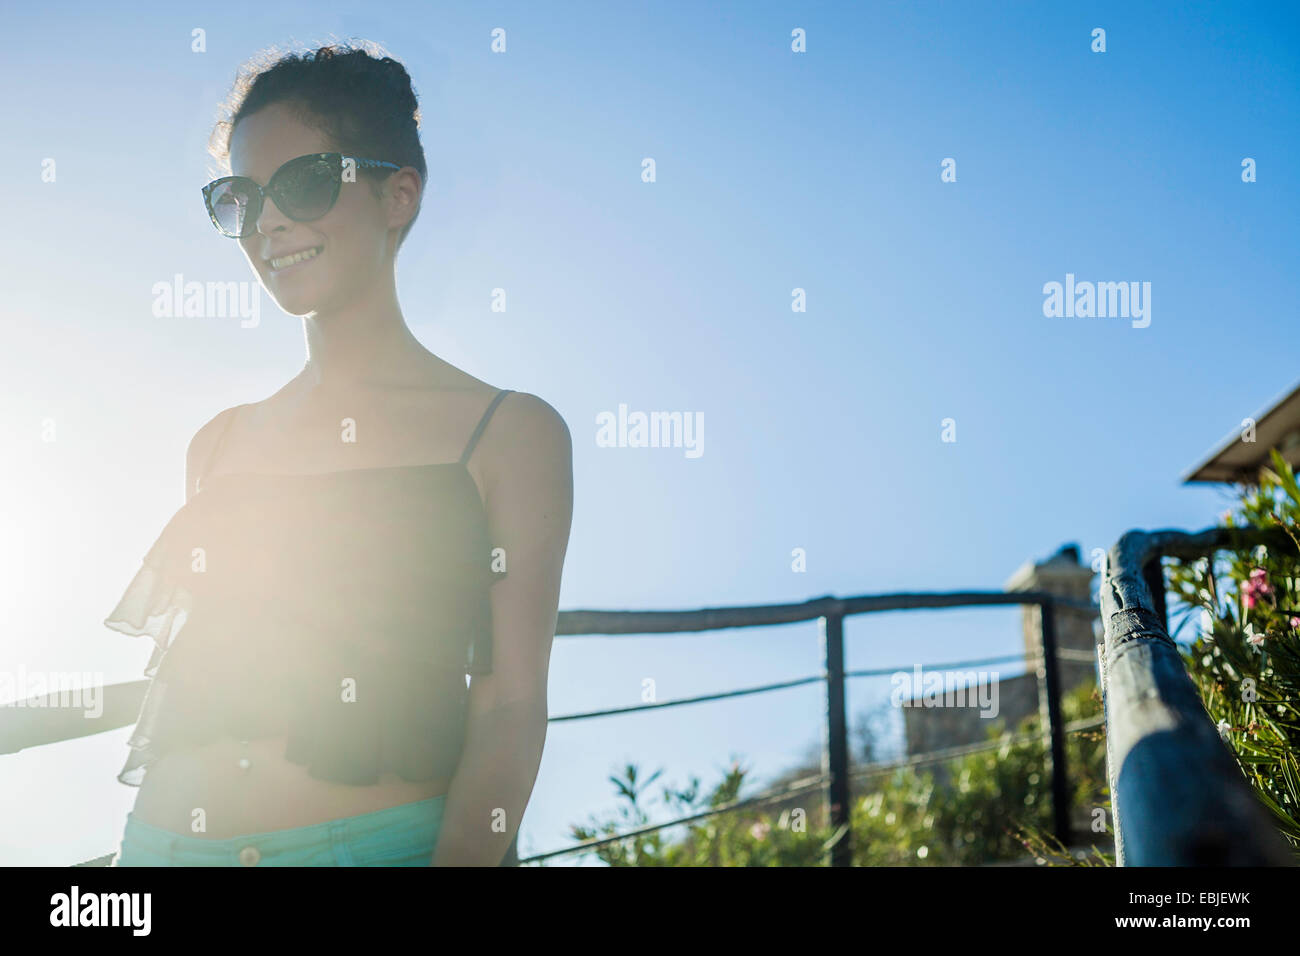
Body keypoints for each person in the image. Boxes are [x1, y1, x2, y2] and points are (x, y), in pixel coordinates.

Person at [105, 42, 573, 866]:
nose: (269, 221)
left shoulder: (511, 432)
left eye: (306, 181)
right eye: (239, 199)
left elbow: (511, 709)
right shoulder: (218, 442)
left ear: (399, 195)